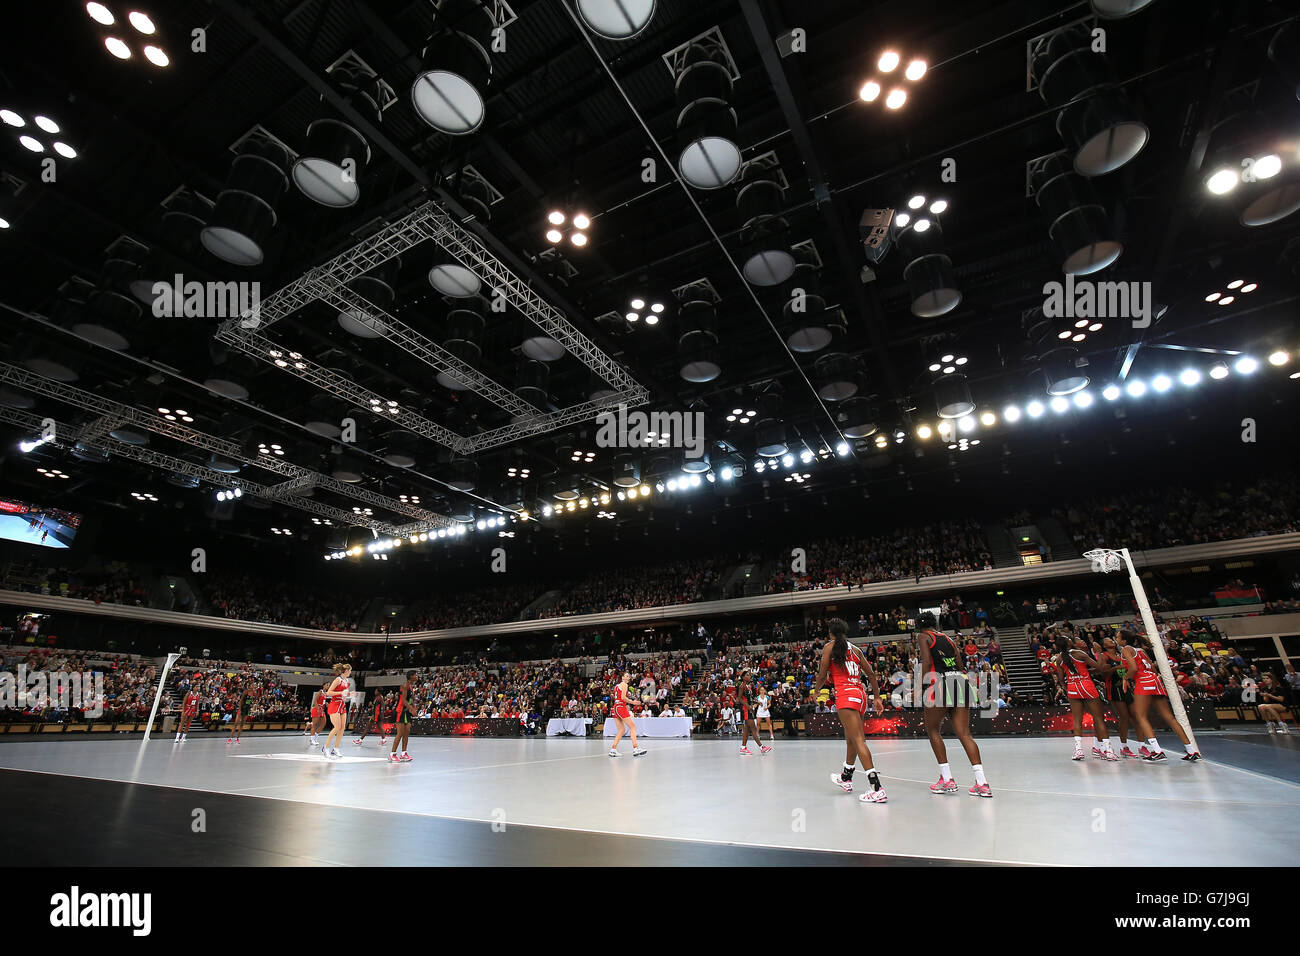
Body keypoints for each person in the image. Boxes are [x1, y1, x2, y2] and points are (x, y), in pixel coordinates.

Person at [915, 612, 991, 797]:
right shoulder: (947, 638)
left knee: (933, 730)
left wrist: (920, 686)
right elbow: (959, 661)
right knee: (965, 734)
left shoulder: (923, 636)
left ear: (919, 626)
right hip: (960, 681)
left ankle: (947, 779)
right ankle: (982, 783)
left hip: (939, 682)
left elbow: (926, 661)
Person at [814, 618, 887, 804]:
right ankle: (846, 777)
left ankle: (876, 787)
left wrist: (816, 692)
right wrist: (877, 697)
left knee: (858, 740)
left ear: (830, 632)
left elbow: (822, 675)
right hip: (860, 694)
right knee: (851, 738)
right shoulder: (855, 649)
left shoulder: (829, 647)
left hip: (846, 695)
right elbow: (870, 673)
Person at [1117, 630, 1201, 761]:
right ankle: (1191, 750)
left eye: (1117, 636)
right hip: (1155, 679)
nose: (1116, 638)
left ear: (1123, 640)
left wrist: (1125, 678)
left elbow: (1133, 668)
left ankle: (1157, 751)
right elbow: (1152, 667)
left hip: (1143, 681)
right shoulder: (1140, 651)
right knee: (1169, 717)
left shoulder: (1125, 649)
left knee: (1140, 716)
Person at [1050, 627, 1116, 761]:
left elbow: (1061, 678)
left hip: (1073, 687)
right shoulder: (1079, 654)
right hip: (1087, 686)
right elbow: (1099, 667)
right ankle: (1109, 751)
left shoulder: (1059, 659)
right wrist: (1098, 653)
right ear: (1069, 643)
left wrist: (1065, 687)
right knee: (1098, 718)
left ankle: (1078, 750)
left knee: (1077, 719)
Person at [608, 671, 646, 757]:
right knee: (632, 727)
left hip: (615, 708)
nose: (628, 677)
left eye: (629, 676)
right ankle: (635, 748)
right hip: (621, 707)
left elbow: (617, 697)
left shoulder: (617, 686)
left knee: (622, 730)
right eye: (626, 676)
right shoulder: (624, 685)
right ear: (622, 677)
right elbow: (623, 698)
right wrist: (633, 702)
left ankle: (613, 749)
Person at [737, 671, 772, 756]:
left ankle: (743, 748)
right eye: (747, 675)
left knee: (747, 729)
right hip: (746, 709)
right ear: (743, 677)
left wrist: (756, 702)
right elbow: (739, 698)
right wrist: (748, 706)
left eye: (749, 675)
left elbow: (749, 698)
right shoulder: (742, 686)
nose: (749, 676)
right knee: (753, 728)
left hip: (749, 708)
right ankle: (761, 747)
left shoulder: (748, 686)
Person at [321, 663, 352, 759]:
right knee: (337, 727)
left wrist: (350, 694)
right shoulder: (338, 679)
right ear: (346, 671)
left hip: (342, 705)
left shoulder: (346, 681)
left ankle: (336, 748)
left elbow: (344, 694)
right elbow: (329, 692)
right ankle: (325, 747)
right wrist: (341, 692)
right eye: (350, 670)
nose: (350, 672)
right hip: (335, 704)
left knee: (342, 728)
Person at [389, 671, 417, 762]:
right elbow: (403, 700)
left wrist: (413, 707)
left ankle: (404, 753)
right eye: (415, 675)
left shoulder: (410, 686)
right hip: (400, 711)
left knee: (406, 732)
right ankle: (392, 754)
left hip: (406, 712)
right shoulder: (405, 685)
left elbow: (409, 700)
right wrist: (411, 709)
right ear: (411, 676)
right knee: (400, 733)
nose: (417, 676)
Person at [308, 679, 330, 748]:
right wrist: (317, 709)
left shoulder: (325, 693)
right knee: (314, 725)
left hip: (322, 709)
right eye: (327, 685)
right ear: (323, 686)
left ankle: (315, 738)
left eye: (329, 685)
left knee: (323, 723)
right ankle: (312, 740)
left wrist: (326, 703)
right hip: (317, 709)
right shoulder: (320, 692)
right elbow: (315, 701)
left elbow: (322, 701)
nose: (328, 686)